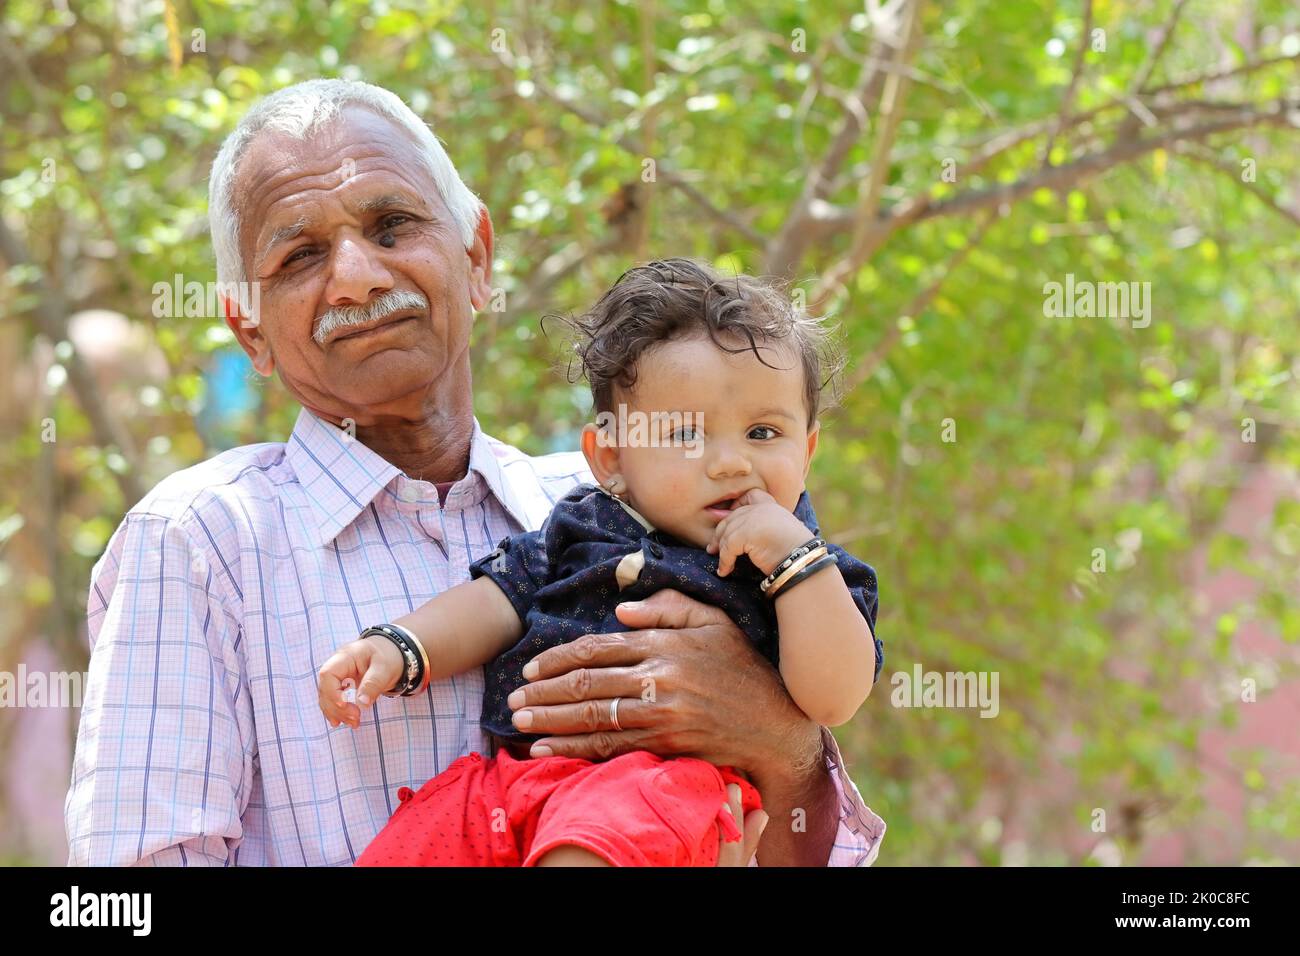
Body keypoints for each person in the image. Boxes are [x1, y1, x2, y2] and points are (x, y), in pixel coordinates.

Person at [65, 79, 885, 866]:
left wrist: (777, 742)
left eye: (391, 226)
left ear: (478, 259)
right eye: (301, 256)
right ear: (250, 331)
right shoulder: (202, 543)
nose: (358, 275)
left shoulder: (623, 502)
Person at [318, 259, 882, 866]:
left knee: (590, 843)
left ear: (809, 448)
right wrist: (401, 647)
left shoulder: (808, 573)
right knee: (413, 841)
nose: (730, 463)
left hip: (658, 792)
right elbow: (494, 599)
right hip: (513, 781)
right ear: (610, 457)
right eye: (686, 435)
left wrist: (796, 561)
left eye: (764, 434)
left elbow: (833, 699)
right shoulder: (581, 525)